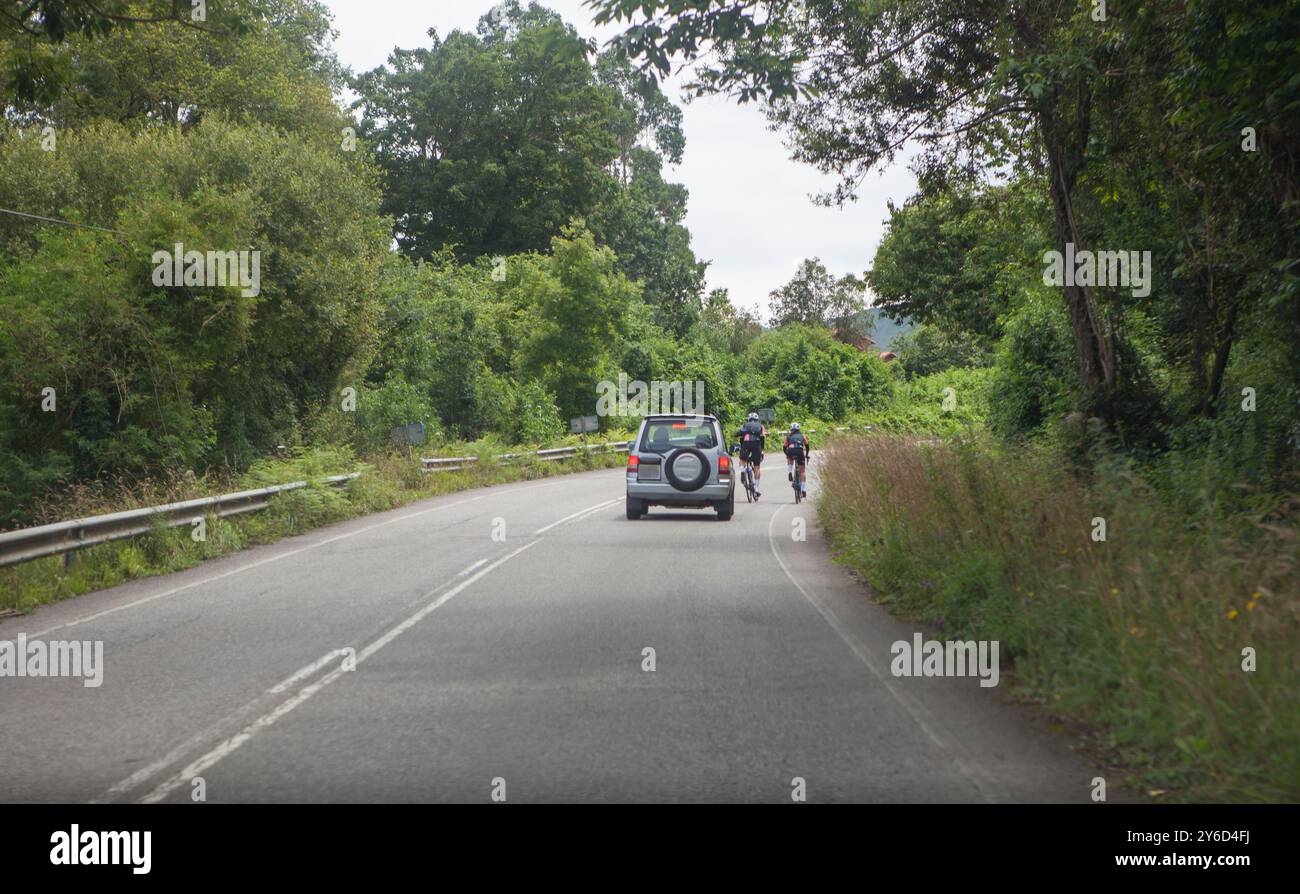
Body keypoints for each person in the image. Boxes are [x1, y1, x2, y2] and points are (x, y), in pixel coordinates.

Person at [734, 412, 767, 498]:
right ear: (757, 419)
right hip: (756, 445)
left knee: (742, 459)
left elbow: (740, 436)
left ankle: (742, 471)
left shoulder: (745, 425)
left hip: (746, 444)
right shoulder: (761, 426)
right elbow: (763, 437)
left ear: (748, 419)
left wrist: (742, 447)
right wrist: (762, 450)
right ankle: (756, 489)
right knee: (757, 467)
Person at [784, 422, 811, 498]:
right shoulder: (802, 435)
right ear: (799, 429)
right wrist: (806, 455)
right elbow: (807, 445)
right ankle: (803, 489)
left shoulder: (788, 436)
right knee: (802, 471)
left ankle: (789, 471)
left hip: (791, 451)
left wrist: (787, 454)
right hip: (799, 451)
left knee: (789, 457)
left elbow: (784, 446)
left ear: (791, 429)